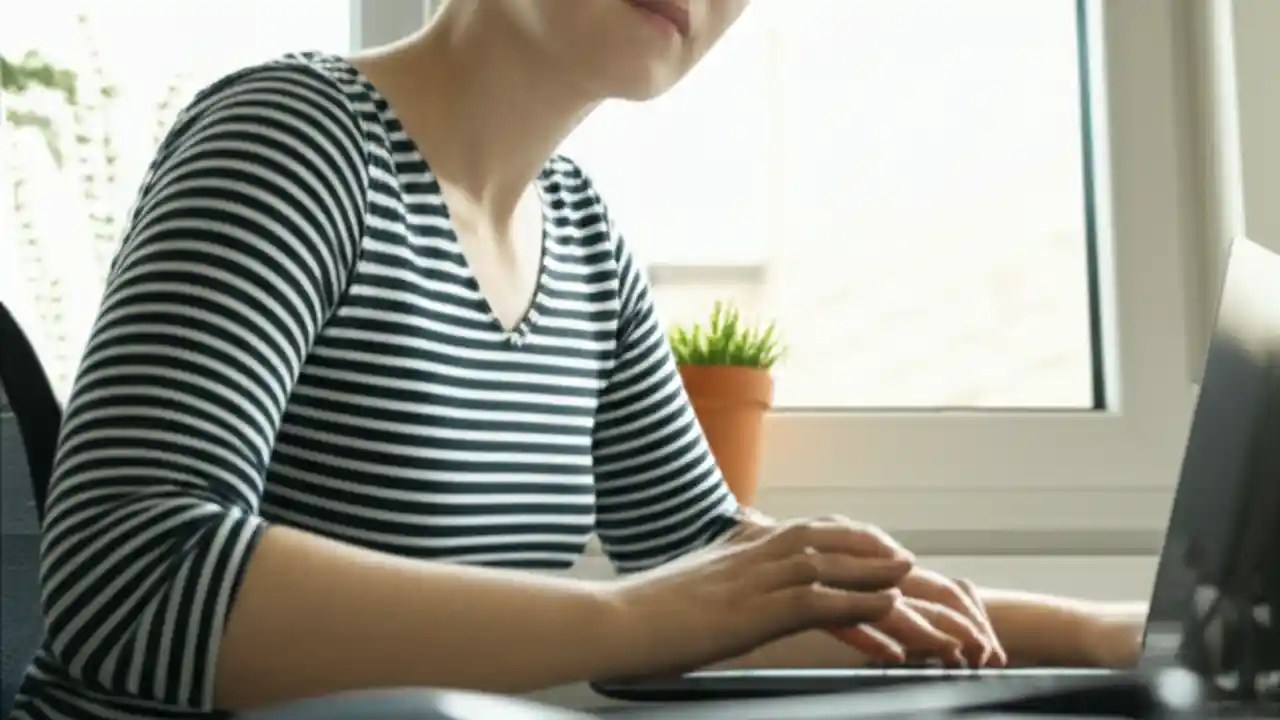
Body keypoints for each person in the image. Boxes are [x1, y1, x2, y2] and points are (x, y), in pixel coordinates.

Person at [9, 1, 1145, 718]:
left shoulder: (585, 240)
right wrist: (636, 617)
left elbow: (715, 578)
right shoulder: (293, 142)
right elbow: (126, 576)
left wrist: (1101, 635)